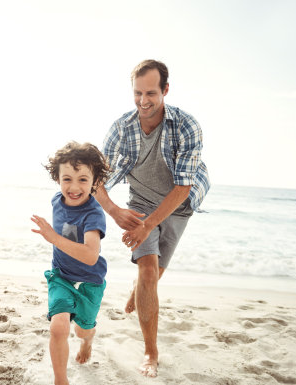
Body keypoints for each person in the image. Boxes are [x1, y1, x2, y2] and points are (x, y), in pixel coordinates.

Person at [94, 59, 210, 378]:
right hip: (141, 200)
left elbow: (183, 187)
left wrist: (149, 226)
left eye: (151, 93)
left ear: (165, 90)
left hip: (178, 203)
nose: (143, 101)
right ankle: (150, 352)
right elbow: (96, 178)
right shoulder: (121, 127)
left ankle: (139, 288)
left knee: (153, 276)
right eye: (137, 93)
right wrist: (115, 210)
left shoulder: (187, 125)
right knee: (147, 272)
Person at [31, 142, 111, 385]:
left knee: (81, 330)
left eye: (83, 180)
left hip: (90, 281)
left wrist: (53, 238)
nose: (74, 187)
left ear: (96, 181)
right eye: (67, 179)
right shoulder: (57, 200)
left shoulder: (94, 214)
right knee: (58, 328)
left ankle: (88, 340)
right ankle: (60, 380)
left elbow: (90, 255)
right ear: (57, 178)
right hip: (62, 276)